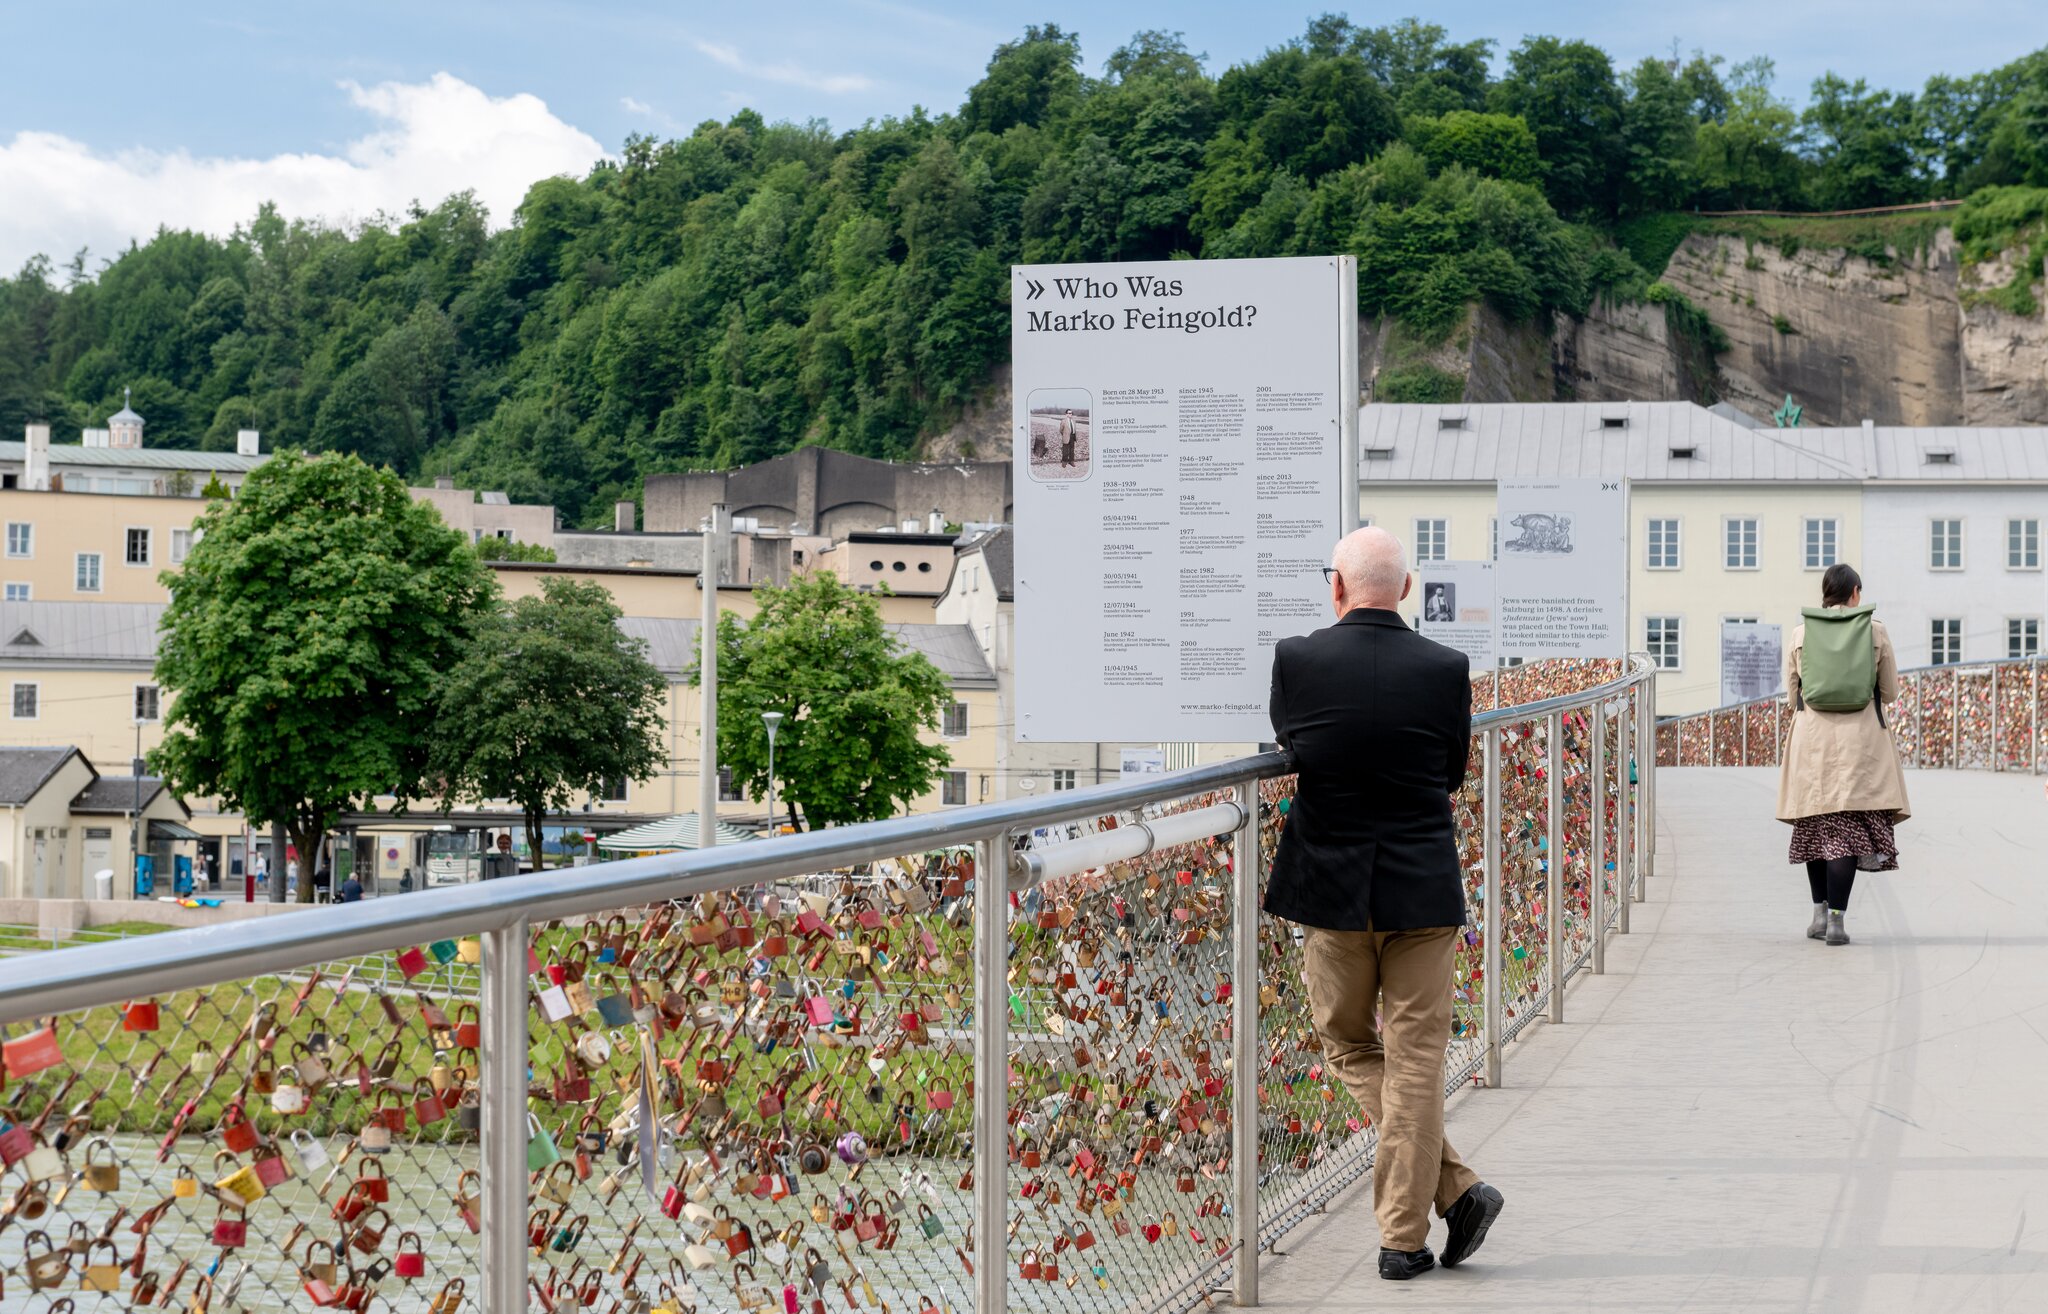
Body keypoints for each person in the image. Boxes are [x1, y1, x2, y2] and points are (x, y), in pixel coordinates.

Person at [1263, 526, 1503, 1280]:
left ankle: (1421, 1224)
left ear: (1335, 587)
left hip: (1330, 892)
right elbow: (1453, 772)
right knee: (1418, 1057)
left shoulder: (1298, 659)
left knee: (1347, 1045)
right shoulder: (1446, 667)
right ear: (1406, 590)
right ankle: (1434, 1209)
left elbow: (1293, 746)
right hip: (1421, 886)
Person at [1777, 563, 1910, 945]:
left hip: (1813, 743)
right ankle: (1837, 921)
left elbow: (1792, 697)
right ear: (1854, 593)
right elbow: (1890, 692)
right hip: (1862, 745)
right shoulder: (1875, 631)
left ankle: (1818, 916)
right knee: (1847, 836)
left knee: (1816, 829)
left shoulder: (1801, 633)